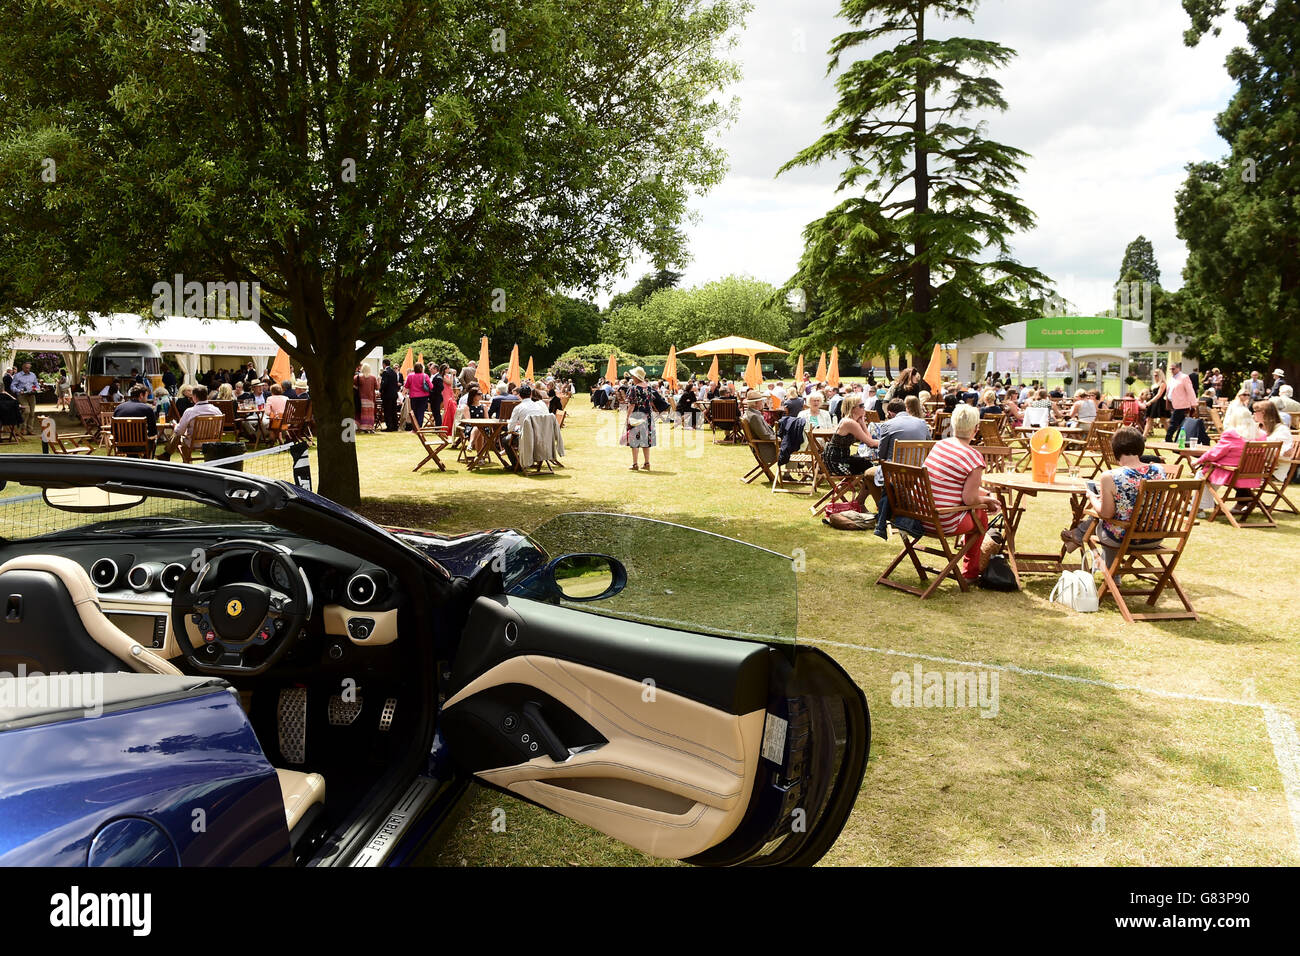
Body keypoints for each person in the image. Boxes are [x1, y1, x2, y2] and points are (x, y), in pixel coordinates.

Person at [1060, 426, 1166, 558]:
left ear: (1115, 450)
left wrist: (1091, 497)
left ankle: (1112, 575)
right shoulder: (1158, 470)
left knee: (1102, 521)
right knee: (1112, 515)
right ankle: (1078, 536)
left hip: (1124, 538)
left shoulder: (1111, 476)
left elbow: (1106, 513)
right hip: (1155, 536)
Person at [922, 404, 1001, 582]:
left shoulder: (940, 446)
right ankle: (969, 573)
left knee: (978, 509)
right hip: (943, 521)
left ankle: (969, 570)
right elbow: (969, 498)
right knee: (980, 516)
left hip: (922, 516)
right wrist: (987, 501)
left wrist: (985, 495)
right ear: (976, 429)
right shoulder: (973, 457)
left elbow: (951, 483)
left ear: (953, 425)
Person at [1191, 403, 1265, 516]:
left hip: (1231, 472)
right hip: (1252, 473)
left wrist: (1198, 460)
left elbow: (1215, 453)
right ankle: (1198, 507)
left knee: (1202, 474)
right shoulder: (1261, 435)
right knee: (1208, 474)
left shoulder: (1232, 434)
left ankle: (1197, 508)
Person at [862, 397, 931, 506]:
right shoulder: (922, 423)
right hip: (918, 472)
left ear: (890, 413)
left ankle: (882, 508)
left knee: (867, 474)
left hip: (895, 474)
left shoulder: (888, 425)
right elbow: (929, 446)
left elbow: (881, 455)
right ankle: (892, 506)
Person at [820, 395, 875, 509]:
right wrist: (890, 443)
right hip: (836, 462)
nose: (864, 408)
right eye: (861, 406)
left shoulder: (850, 421)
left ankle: (859, 503)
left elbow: (868, 439)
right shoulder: (850, 423)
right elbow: (870, 443)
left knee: (869, 468)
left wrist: (862, 423)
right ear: (853, 408)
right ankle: (859, 503)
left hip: (837, 458)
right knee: (872, 471)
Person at [163, 385, 220, 460]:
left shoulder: (190, 411)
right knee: (181, 433)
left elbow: (179, 431)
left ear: (195, 397)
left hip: (193, 442)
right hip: (212, 442)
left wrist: (175, 426)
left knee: (178, 433)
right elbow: (219, 429)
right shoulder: (217, 411)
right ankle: (166, 455)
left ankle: (184, 460)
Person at [503, 384, 551, 469]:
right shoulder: (539, 406)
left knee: (505, 440)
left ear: (519, 396)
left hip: (526, 439)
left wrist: (516, 428)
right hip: (542, 439)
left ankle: (516, 465)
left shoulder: (518, 408)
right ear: (531, 394)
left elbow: (510, 428)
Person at [623, 367, 657, 471]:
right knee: (645, 440)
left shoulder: (634, 389)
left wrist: (627, 417)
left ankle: (635, 464)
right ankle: (647, 463)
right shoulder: (649, 388)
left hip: (636, 417)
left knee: (634, 440)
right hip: (647, 416)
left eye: (633, 376)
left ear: (636, 377)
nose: (632, 377)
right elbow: (651, 402)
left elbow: (631, 405)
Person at [1254, 401, 1293, 482]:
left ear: (1263, 413)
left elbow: (1285, 453)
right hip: (1260, 467)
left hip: (1274, 470)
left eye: (1255, 411)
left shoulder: (1282, 430)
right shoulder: (1257, 427)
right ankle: (1244, 493)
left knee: (1239, 473)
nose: (1253, 414)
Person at [113, 385, 159, 453]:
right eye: (146, 396)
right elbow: (153, 432)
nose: (147, 399)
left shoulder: (118, 408)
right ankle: (146, 460)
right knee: (154, 439)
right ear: (141, 395)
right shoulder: (147, 409)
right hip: (141, 446)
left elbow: (113, 431)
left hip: (122, 446)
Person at [1164, 362, 1198, 442]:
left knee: (1173, 422)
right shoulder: (1172, 378)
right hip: (1174, 404)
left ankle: (1168, 438)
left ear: (1178, 368)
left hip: (1182, 404)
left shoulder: (1184, 377)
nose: (1171, 370)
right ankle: (1179, 439)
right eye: (1170, 369)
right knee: (1181, 423)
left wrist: (1193, 404)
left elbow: (1190, 391)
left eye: (1173, 369)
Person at [10, 362, 39, 435]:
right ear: (23, 367)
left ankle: (30, 430)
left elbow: (36, 385)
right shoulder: (17, 375)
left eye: (29, 368)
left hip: (31, 395)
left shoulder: (33, 375)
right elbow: (12, 386)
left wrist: (36, 389)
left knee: (32, 413)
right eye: (26, 368)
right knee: (26, 411)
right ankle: (22, 429)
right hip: (22, 396)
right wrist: (19, 391)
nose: (28, 369)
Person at [404, 362, 434, 430]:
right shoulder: (425, 375)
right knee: (421, 412)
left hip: (413, 396)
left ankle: (414, 428)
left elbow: (406, 386)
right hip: (423, 396)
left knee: (414, 412)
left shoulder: (410, 376)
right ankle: (419, 427)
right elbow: (431, 386)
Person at [354, 363, 379, 433]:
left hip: (361, 398)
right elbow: (377, 387)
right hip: (370, 398)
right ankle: (369, 427)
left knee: (360, 413)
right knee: (369, 414)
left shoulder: (357, 377)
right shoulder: (373, 378)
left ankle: (361, 427)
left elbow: (354, 387)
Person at [379, 359, 401, 431]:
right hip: (394, 394)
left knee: (387, 411)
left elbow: (384, 384)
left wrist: (380, 390)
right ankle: (395, 426)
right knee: (393, 411)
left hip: (387, 395)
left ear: (384, 364)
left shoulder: (385, 372)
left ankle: (389, 427)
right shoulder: (394, 372)